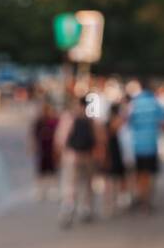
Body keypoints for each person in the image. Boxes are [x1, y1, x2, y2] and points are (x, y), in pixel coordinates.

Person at [126, 83, 164, 213]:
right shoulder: (154, 102)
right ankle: (146, 201)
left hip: (136, 145)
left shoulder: (134, 103)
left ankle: (140, 197)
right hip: (151, 144)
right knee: (149, 175)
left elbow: (128, 122)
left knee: (139, 174)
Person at [57, 96, 98, 227]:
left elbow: (61, 139)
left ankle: (68, 209)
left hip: (71, 157)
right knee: (86, 184)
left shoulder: (68, 118)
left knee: (69, 185)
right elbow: (97, 139)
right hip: (88, 157)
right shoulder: (90, 120)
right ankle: (85, 209)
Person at [100, 105, 127, 216]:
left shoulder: (109, 123)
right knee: (111, 181)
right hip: (112, 154)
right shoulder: (115, 123)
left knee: (113, 180)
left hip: (114, 154)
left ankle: (112, 203)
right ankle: (110, 204)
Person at [30, 99, 60, 201]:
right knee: (41, 170)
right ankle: (40, 191)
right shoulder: (39, 121)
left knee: (52, 170)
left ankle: (52, 190)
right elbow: (33, 135)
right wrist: (33, 146)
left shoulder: (55, 121)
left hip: (52, 149)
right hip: (42, 149)